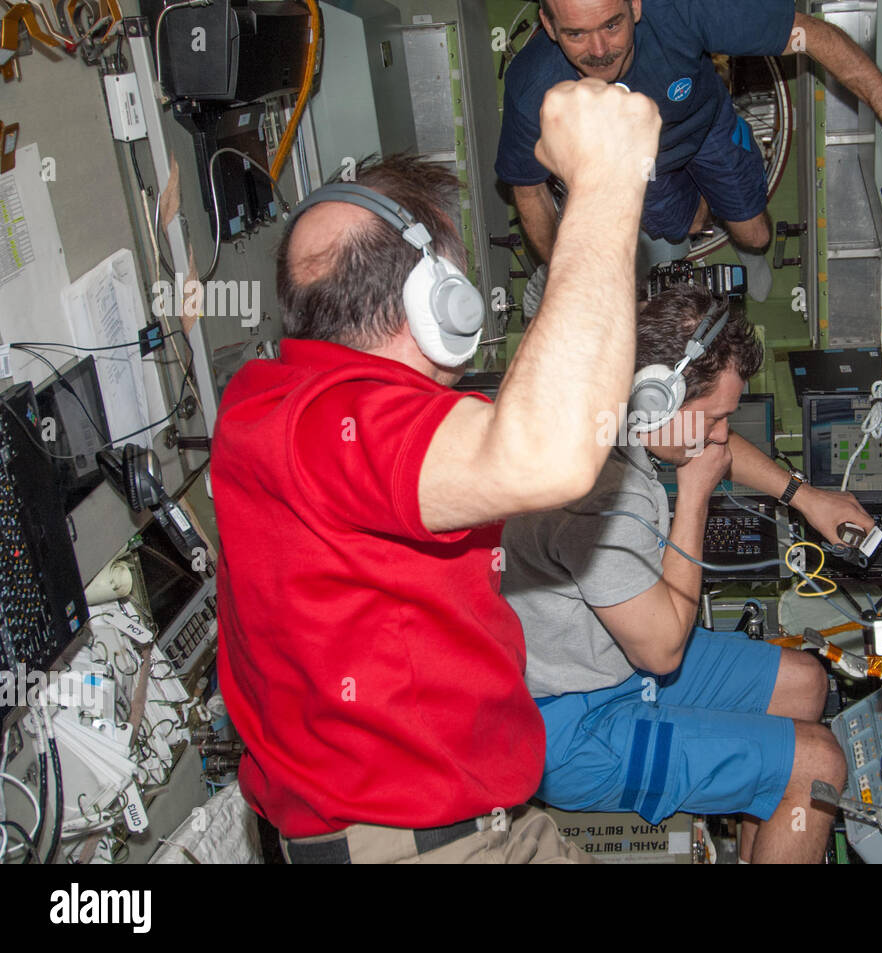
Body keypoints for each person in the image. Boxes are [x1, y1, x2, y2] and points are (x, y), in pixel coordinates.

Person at [211, 79, 662, 863]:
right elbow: (550, 452)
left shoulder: (272, 402)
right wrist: (609, 176)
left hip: (461, 828)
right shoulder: (338, 422)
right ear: (442, 303)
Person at [501, 285, 874, 863]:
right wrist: (695, 498)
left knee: (806, 682)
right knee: (820, 763)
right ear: (659, 399)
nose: (724, 432)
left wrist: (804, 496)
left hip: (614, 664)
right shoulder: (596, 500)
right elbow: (664, 653)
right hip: (575, 725)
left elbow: (710, 442)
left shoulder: (613, 401)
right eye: (718, 416)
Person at [496, 0, 882, 303]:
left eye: (612, 25)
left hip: (704, 126)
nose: (598, 50)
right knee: (692, 222)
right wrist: (566, 279)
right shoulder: (532, 85)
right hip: (641, 169)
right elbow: (528, 191)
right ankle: (707, 205)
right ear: (549, 27)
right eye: (575, 33)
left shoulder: (681, 8)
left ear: (637, 6)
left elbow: (813, 35)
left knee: (755, 235)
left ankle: (736, 209)